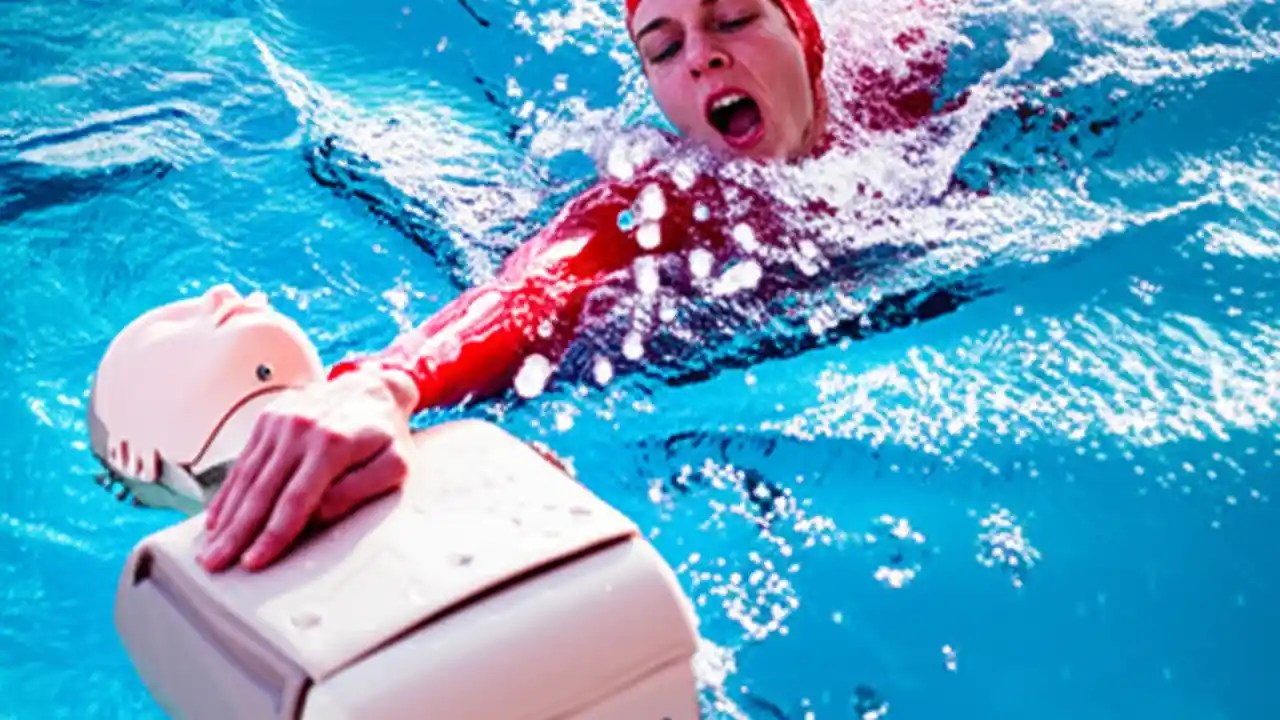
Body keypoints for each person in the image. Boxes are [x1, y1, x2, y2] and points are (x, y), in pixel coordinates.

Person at [198, 0, 953, 573]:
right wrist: (389, 382)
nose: (701, 57)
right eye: (663, 48)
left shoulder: (900, 75)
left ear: (805, 35)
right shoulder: (671, 197)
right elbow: (544, 283)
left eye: (732, 17)